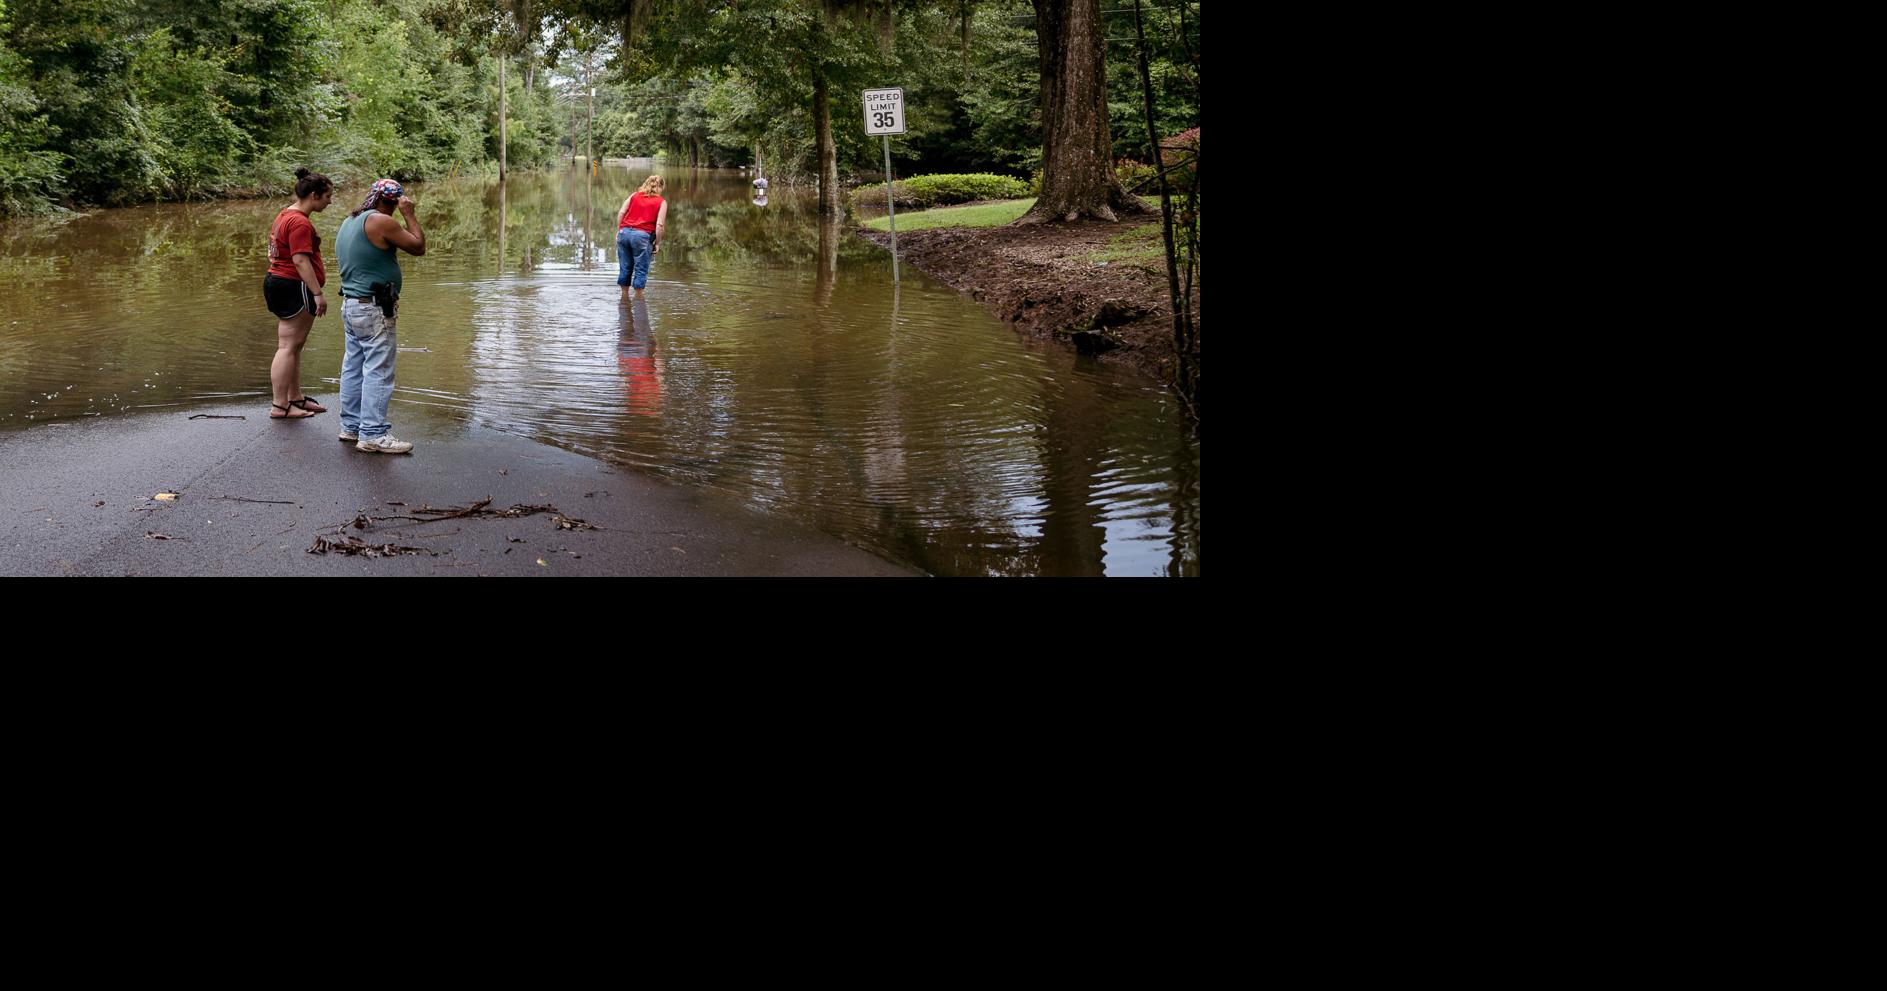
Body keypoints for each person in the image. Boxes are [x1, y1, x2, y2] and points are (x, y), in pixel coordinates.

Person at [335, 178, 425, 454]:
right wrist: (409, 214)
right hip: (373, 308)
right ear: (395, 201)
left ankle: (351, 427)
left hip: (351, 305)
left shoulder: (350, 220)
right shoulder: (382, 222)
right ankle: (373, 433)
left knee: (353, 367)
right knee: (379, 370)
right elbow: (418, 247)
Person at [263, 167, 334, 419]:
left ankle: (295, 398)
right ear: (314, 195)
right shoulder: (300, 223)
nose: (329, 202)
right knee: (287, 346)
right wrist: (317, 293)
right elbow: (300, 260)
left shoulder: (285, 215)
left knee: (294, 346)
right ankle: (280, 405)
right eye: (327, 196)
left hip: (278, 281)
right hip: (294, 285)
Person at [616, 175, 667, 301]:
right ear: (660, 187)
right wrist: (657, 243)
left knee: (625, 268)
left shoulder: (634, 195)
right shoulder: (661, 202)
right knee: (640, 270)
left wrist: (619, 230)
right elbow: (659, 225)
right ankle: (638, 301)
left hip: (624, 233)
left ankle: (624, 299)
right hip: (642, 237)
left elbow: (621, 212)